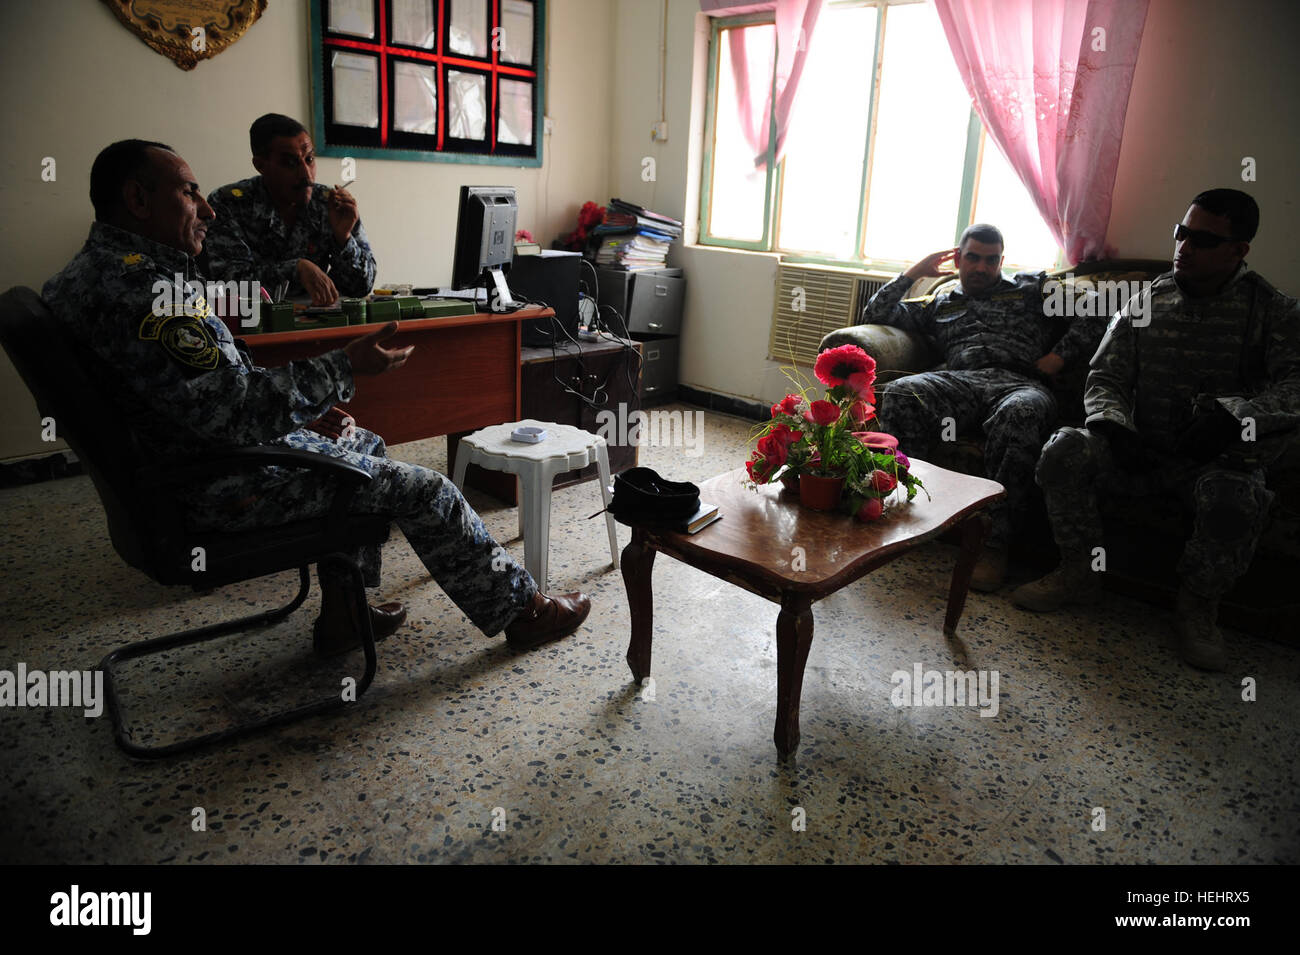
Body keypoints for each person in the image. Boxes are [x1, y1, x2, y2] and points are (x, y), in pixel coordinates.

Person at [42, 139, 589, 655]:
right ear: (137, 199)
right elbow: (232, 411)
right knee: (428, 490)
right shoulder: (144, 295)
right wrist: (343, 364)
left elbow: (192, 395)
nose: (205, 210)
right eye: (188, 193)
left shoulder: (89, 276)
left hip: (187, 462)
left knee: (363, 439)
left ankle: (346, 613)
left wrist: (298, 419)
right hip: (218, 486)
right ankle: (525, 612)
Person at [1012, 190, 1300, 671]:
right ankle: (1079, 573)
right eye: (1181, 233)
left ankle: (1197, 609)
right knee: (1065, 449)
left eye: (1204, 239)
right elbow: (1105, 376)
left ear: (1238, 250)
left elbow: (1295, 385)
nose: (1184, 247)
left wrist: (1237, 416)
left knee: (1236, 500)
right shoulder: (1147, 299)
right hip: (1140, 451)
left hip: (1215, 463)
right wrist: (1114, 427)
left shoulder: (1272, 311)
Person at [859, 224, 1106, 590]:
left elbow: (1098, 310)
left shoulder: (1029, 290)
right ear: (958, 258)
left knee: (1019, 414)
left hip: (1020, 385)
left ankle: (993, 544)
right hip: (960, 383)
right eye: (973, 258)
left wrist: (1058, 356)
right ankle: (904, 513)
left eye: (991, 260)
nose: (981, 268)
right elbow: (875, 313)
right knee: (901, 392)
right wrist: (916, 272)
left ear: (1001, 262)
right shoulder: (940, 302)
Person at [204, 113, 375, 305]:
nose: (306, 174)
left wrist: (343, 239)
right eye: (290, 163)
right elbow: (229, 287)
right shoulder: (229, 204)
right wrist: (295, 269)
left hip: (317, 324)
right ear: (261, 165)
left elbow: (361, 286)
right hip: (253, 327)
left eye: (309, 159)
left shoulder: (329, 204)